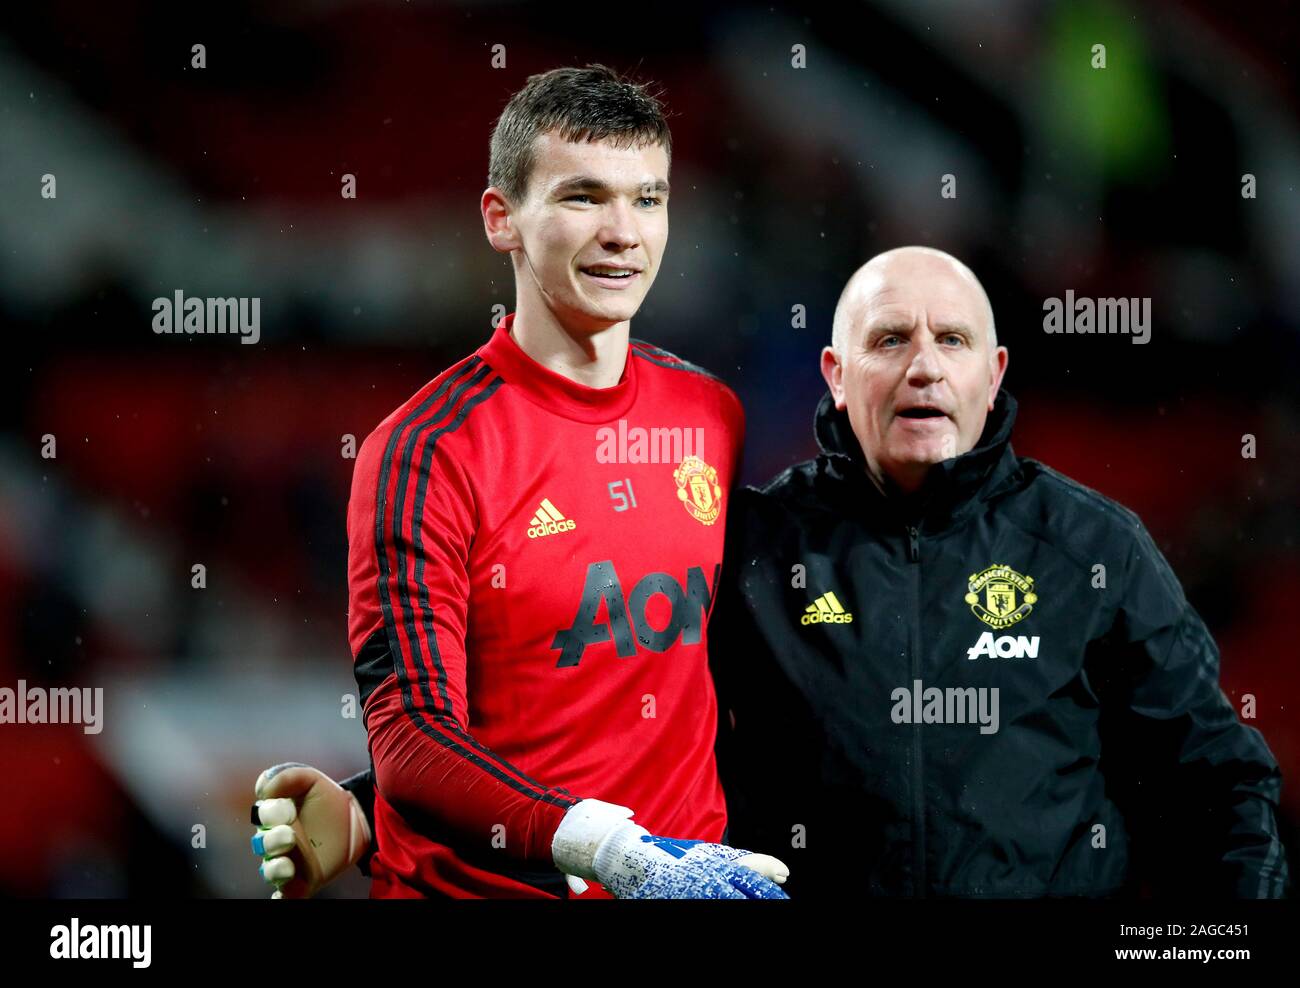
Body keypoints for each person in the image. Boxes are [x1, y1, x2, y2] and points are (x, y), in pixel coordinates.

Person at [250, 64, 788, 900]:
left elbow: (678, 682)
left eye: (648, 199)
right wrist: (616, 852)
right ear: (502, 219)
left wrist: (360, 813)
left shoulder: (710, 415)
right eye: (583, 197)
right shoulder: (426, 453)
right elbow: (415, 736)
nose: (623, 232)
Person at [711, 246, 1290, 897]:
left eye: (952, 340)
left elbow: (1219, 781)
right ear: (837, 375)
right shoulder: (754, 549)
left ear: (993, 375)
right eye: (891, 339)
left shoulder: (1092, 548)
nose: (924, 367)